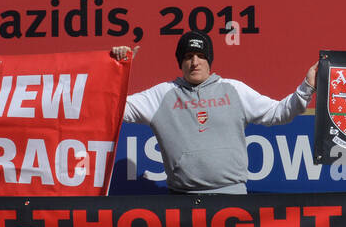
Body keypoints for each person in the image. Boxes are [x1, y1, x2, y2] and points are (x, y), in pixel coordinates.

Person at [111, 31, 317, 193]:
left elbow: (279, 112)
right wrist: (117, 69)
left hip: (231, 197)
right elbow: (113, 109)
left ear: (209, 60)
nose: (194, 62)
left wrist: (307, 86)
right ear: (180, 62)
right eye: (188, 56)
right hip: (182, 202)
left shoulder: (234, 89)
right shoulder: (162, 94)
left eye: (201, 56)